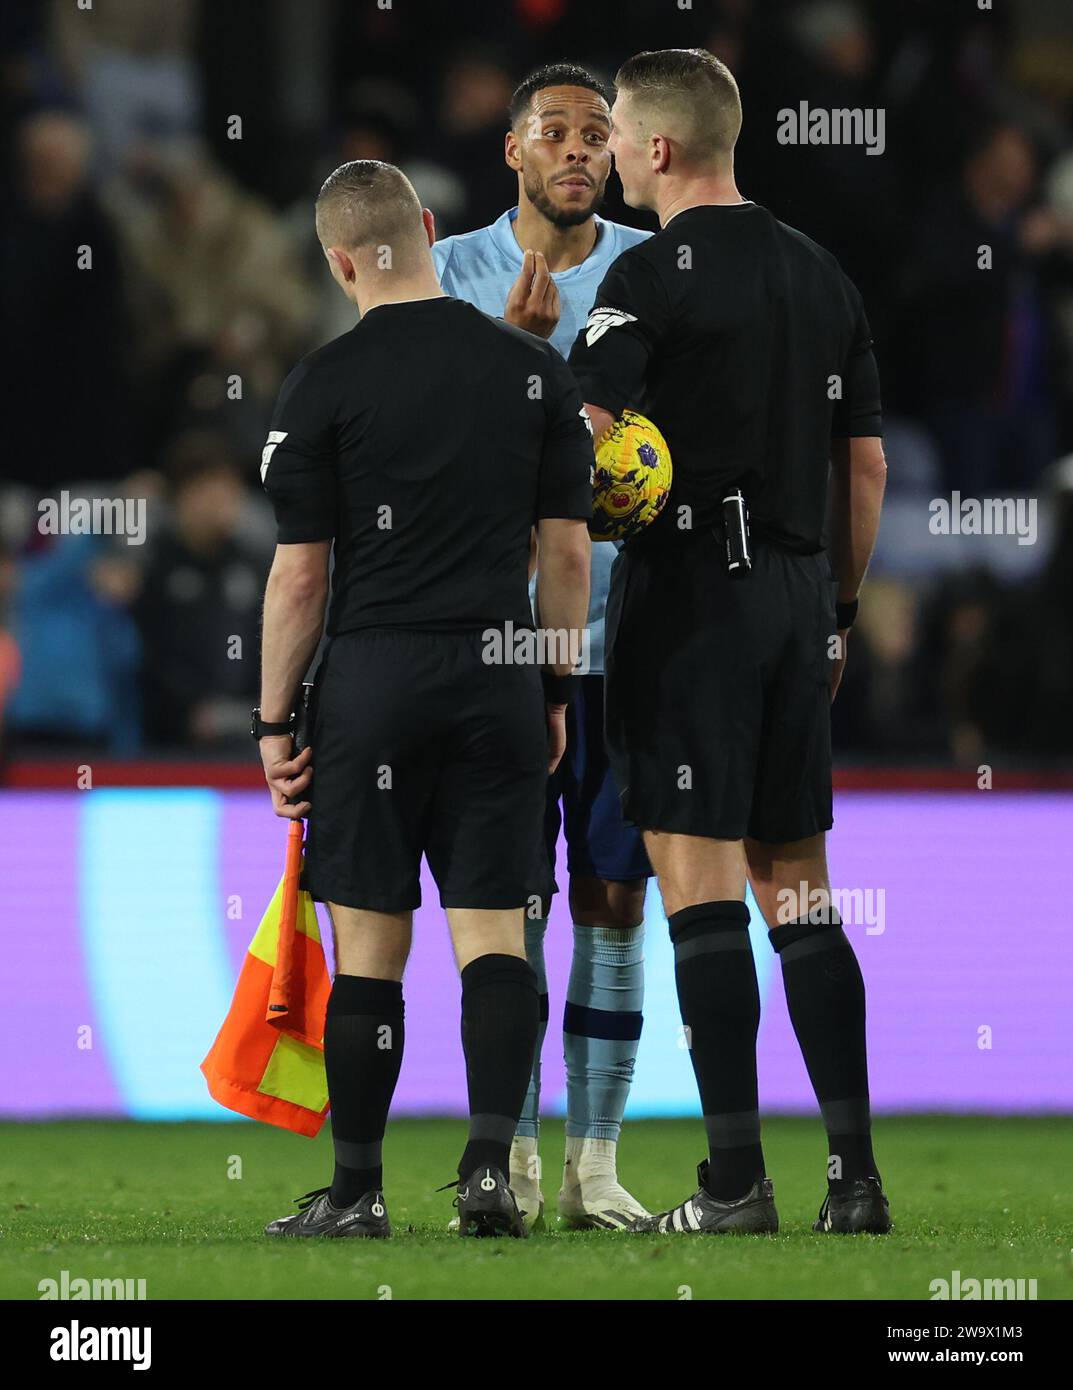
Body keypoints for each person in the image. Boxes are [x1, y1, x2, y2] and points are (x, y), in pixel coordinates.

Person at [568, 48, 891, 1236]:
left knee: (697, 884)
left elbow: (586, 431)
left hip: (693, 596)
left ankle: (731, 1185)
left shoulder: (649, 277)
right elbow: (866, 468)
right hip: (801, 595)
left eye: (611, 136)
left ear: (655, 148)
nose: (606, 156)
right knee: (795, 886)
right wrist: (839, 610)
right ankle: (853, 1181)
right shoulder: (822, 277)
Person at [256, 160, 593, 1238]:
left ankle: (355, 1192)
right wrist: (551, 684)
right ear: (433, 231)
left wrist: (271, 722)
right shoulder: (531, 373)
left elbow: (300, 578)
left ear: (339, 261)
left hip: (371, 682)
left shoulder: (318, 384)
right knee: (495, 935)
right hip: (496, 675)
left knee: (371, 950)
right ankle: (490, 1170)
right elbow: (567, 552)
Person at [432, 62, 653, 1231]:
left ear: (619, 155)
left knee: (614, 895)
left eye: (595, 135)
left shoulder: (653, 271)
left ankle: (597, 1163)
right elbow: (424, 453)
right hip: (494, 648)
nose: (576, 150)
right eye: (553, 132)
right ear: (510, 149)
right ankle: (510, 1158)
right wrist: (519, 363)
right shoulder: (449, 276)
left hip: (629, 641)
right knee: (505, 906)